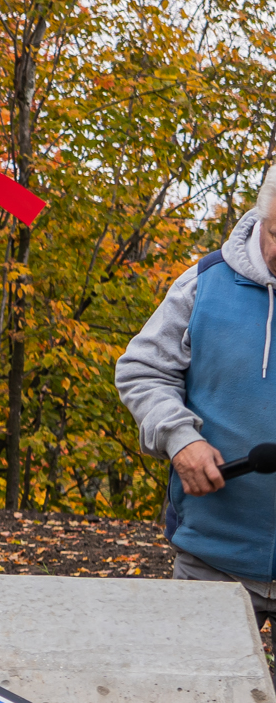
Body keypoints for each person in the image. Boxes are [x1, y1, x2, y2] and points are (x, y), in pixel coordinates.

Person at [117, 171, 276, 624]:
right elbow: (142, 370)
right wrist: (180, 439)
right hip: (211, 558)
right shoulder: (204, 283)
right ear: (261, 218)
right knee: (198, 692)